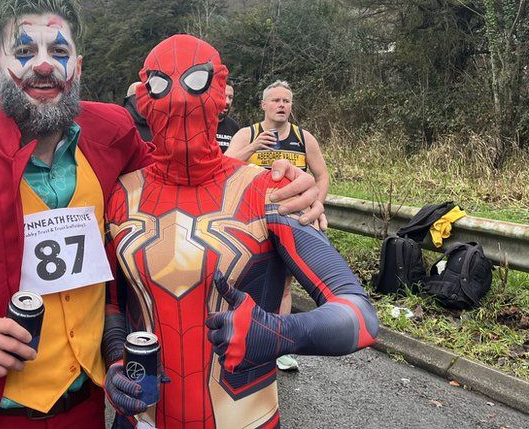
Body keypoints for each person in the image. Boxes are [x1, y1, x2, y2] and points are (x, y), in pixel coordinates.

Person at [0, 0, 322, 427]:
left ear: (78, 64)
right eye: (25, 51)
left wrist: (281, 182)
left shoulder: (111, 132)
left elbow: (185, 180)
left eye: (59, 51)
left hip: (87, 407)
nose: (44, 65)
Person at [102, 35, 377, 428]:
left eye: (195, 83)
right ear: (144, 98)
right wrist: (116, 359)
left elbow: (360, 315)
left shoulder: (270, 191)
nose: (179, 101)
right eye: (162, 86)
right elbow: (112, 304)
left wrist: (281, 332)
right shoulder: (120, 194)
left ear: (220, 93)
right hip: (141, 419)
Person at [224, 79, 331, 372]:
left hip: (289, 221)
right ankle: (240, 338)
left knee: (284, 286)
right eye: (276, 101)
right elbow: (223, 166)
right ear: (264, 105)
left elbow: (322, 176)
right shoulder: (248, 133)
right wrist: (253, 148)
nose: (282, 105)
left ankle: (279, 346)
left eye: (286, 101)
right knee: (245, 282)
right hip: (250, 222)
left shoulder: (303, 138)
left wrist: (315, 204)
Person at [215, 82, 241, 153]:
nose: (228, 102)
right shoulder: (198, 124)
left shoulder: (234, 127)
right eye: (223, 96)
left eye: (230, 97)